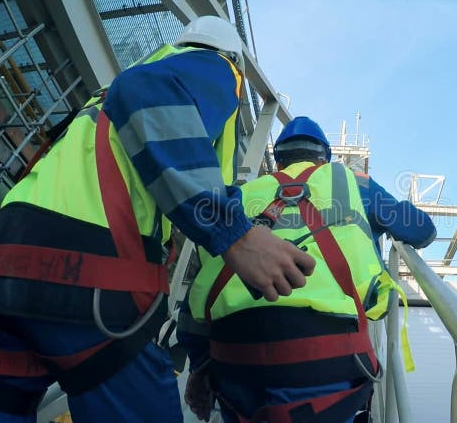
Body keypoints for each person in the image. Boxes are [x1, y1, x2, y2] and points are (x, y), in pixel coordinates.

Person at [0, 16, 314, 423]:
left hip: (4, 255)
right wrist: (234, 234)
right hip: (85, 269)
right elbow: (149, 93)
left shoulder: (113, 90)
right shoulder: (212, 66)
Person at [179, 116, 435, 423]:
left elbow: (200, 282)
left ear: (278, 160)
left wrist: (199, 366)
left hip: (233, 358)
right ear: (323, 156)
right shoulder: (352, 181)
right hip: (330, 359)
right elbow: (422, 231)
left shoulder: (241, 193)